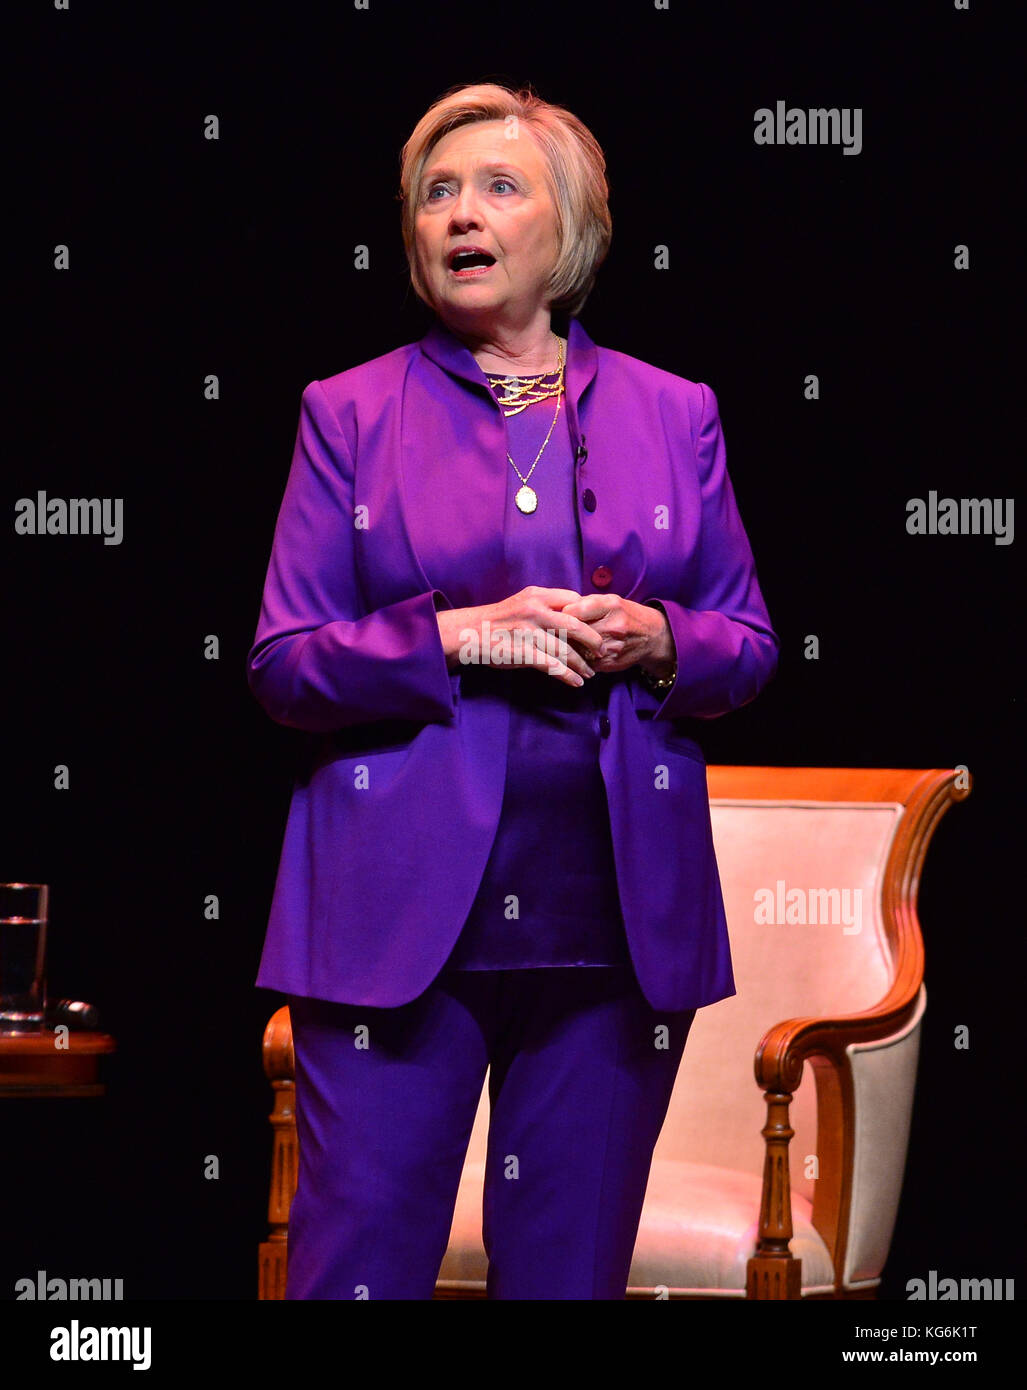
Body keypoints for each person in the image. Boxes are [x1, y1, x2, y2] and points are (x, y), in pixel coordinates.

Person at [246, 80, 779, 1300]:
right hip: (394, 926)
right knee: (359, 1271)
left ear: (570, 230)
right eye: (437, 193)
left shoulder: (672, 410)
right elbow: (284, 662)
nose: (459, 215)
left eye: (497, 187)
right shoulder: (350, 411)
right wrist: (458, 636)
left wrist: (656, 637)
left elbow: (746, 645)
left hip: (609, 927)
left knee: (564, 1278)